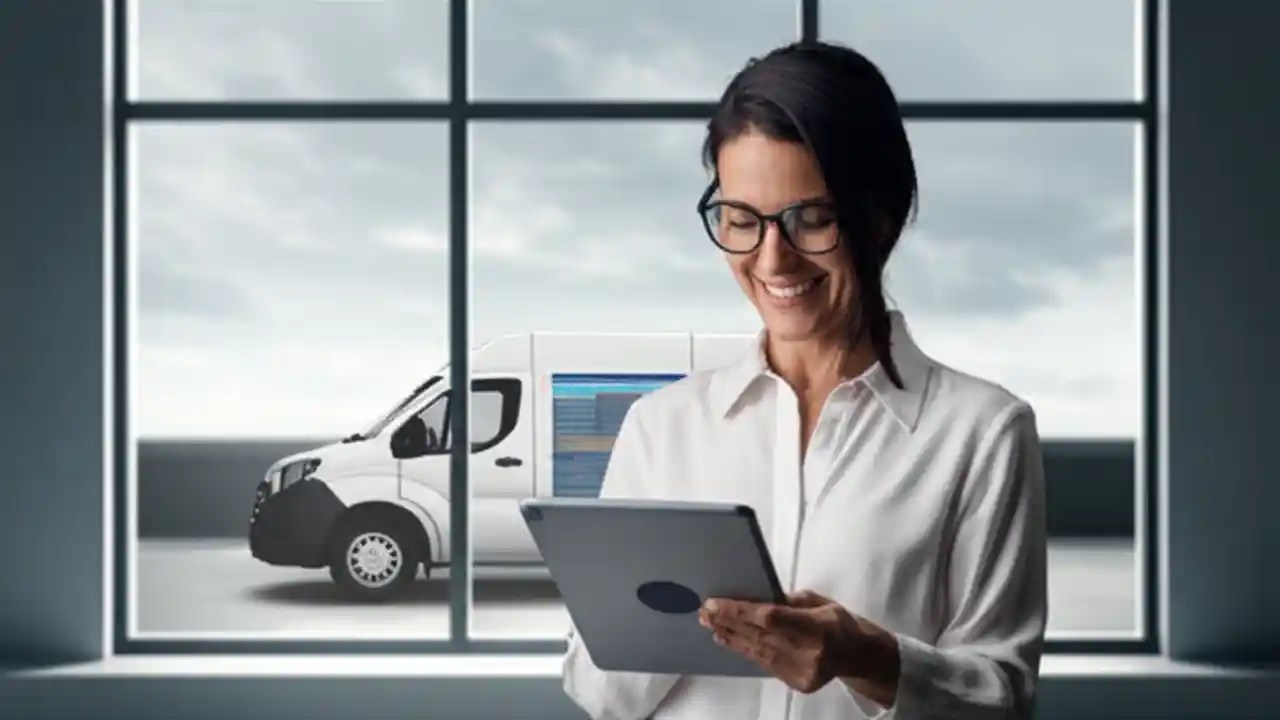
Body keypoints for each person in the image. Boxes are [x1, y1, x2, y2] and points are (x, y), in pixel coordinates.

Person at [562, 40, 1047, 720]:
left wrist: (865, 657)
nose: (772, 259)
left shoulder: (982, 433)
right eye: (740, 220)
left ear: (882, 215)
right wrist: (672, 616)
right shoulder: (662, 425)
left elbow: (1003, 700)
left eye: (810, 219)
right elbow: (597, 693)